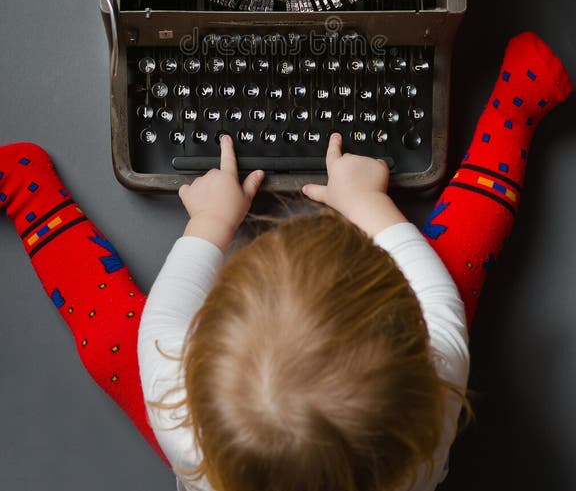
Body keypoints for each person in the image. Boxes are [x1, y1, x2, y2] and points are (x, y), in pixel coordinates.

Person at [0, 32, 572, 490]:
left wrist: (211, 222)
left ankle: (30, 197)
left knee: (115, 344)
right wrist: (370, 204)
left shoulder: (185, 430)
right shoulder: (435, 388)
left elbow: (162, 321)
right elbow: (436, 292)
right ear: (412, 342)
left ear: (195, 370)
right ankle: (513, 113)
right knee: (454, 267)